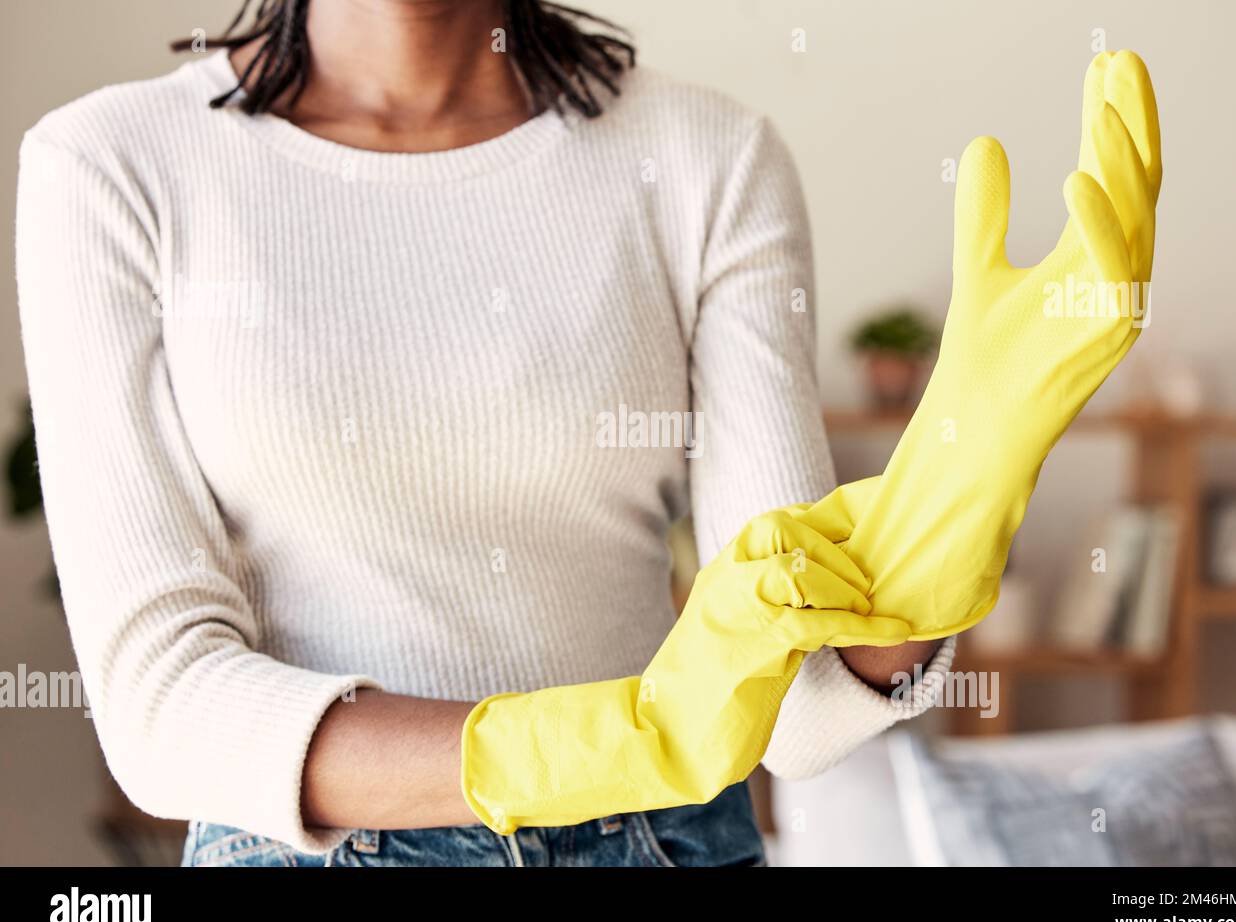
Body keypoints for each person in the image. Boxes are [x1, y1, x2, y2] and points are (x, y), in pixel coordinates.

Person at [18, 0, 1158, 867]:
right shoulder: (113, 169)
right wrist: (624, 736)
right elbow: (162, 711)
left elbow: (795, 708)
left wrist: (959, 476)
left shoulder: (709, 160)